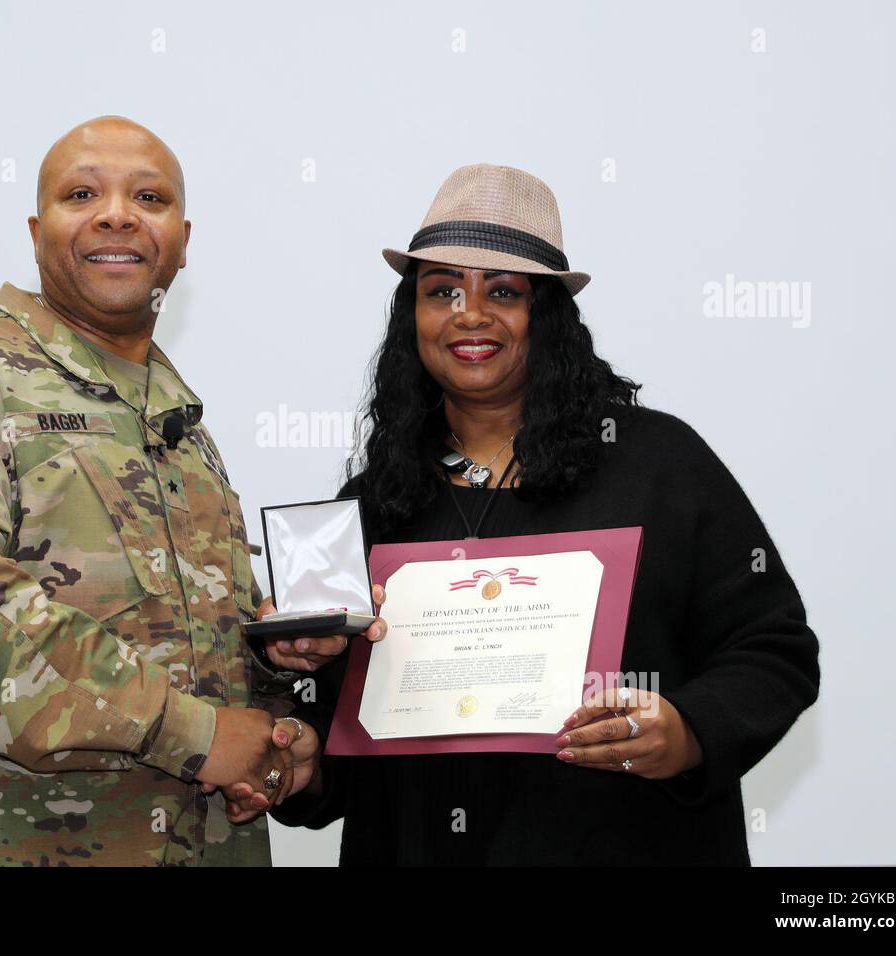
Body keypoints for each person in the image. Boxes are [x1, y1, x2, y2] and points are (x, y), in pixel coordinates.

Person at [0, 116, 382, 866]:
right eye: (81, 193)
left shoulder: (183, 432)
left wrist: (280, 714)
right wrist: (203, 737)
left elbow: (189, 660)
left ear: (181, 241)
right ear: (36, 228)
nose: (116, 213)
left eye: (147, 197)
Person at [262, 164, 821, 865]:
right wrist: (300, 757)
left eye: (503, 291)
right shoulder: (372, 505)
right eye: (441, 291)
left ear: (548, 315)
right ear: (414, 319)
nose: (470, 314)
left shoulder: (658, 464)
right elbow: (337, 735)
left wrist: (687, 732)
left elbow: (775, 650)